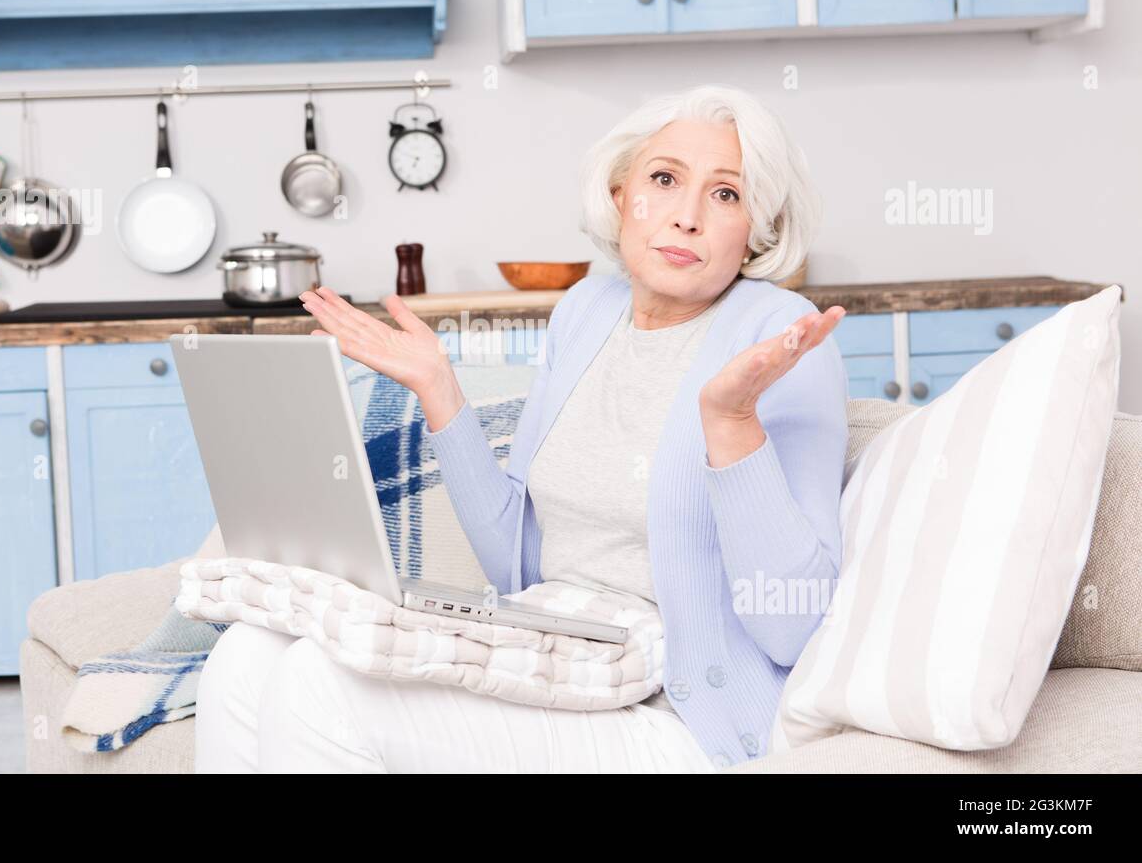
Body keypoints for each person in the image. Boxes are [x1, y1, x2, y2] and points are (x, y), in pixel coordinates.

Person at [195, 84, 848, 772]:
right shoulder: (588, 311)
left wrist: (732, 424)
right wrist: (439, 389)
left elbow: (795, 625)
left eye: (726, 195)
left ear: (757, 230)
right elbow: (516, 567)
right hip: (561, 655)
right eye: (664, 179)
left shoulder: (781, 337)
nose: (687, 216)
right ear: (622, 194)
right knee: (248, 654)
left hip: (678, 715)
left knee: (319, 688)